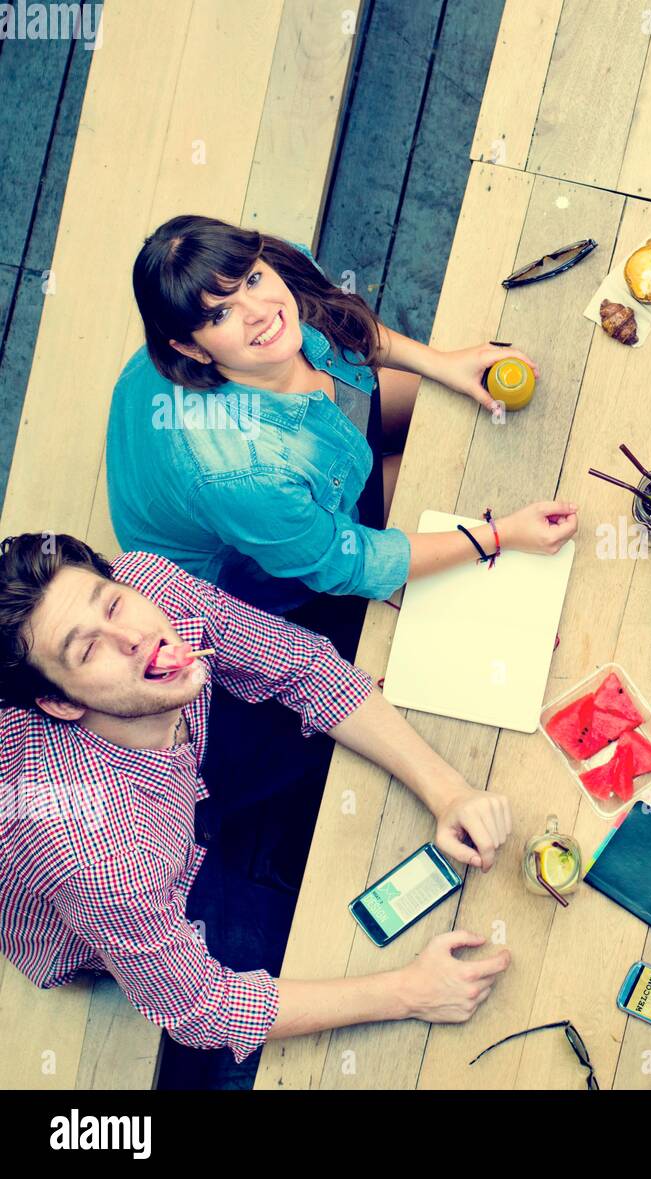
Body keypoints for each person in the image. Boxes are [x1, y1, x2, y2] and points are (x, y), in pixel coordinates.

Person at [0, 534, 512, 1071]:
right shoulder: (97, 857)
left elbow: (306, 668)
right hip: (113, 909)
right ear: (57, 702)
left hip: (181, 779)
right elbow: (203, 1006)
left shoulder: (146, 586)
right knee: (305, 948)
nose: (132, 636)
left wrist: (448, 790)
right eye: (87, 649)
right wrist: (411, 992)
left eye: (111, 603)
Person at [107, 214, 578, 623]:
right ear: (189, 348)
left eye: (250, 280)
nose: (260, 312)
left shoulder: (278, 268)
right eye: (221, 314)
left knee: (457, 409)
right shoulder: (244, 476)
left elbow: (338, 319)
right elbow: (350, 564)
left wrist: (440, 362)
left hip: (293, 442)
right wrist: (501, 536)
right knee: (455, 485)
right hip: (264, 545)